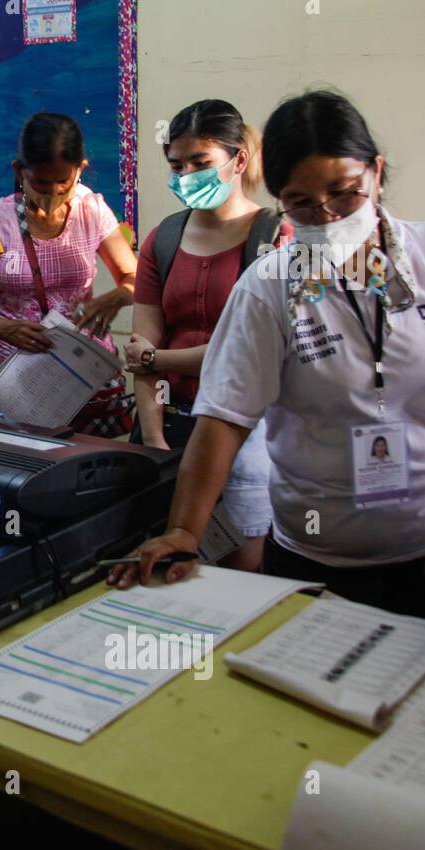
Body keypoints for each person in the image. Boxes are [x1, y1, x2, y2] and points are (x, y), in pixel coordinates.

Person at [109, 91, 425, 622]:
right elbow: (223, 420)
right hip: (323, 554)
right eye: (300, 203)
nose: (325, 216)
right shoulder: (269, 287)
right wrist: (184, 530)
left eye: (344, 194)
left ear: (376, 172)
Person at [125, 100, 287, 570]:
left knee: (240, 574)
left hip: (244, 437)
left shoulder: (276, 238)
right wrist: (153, 439)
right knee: (164, 567)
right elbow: (141, 349)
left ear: (238, 160)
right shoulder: (164, 237)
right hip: (167, 425)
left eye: (201, 163)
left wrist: (159, 360)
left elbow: (247, 354)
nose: (187, 175)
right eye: (177, 165)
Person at [0, 112, 136, 431]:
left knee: (90, 469)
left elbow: (135, 279)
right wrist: (2, 328)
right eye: (40, 183)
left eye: (63, 182)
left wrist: (117, 297)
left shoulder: (92, 210)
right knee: (27, 468)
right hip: (17, 374)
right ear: (19, 171)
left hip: (85, 372)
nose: (52, 194)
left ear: (80, 169)